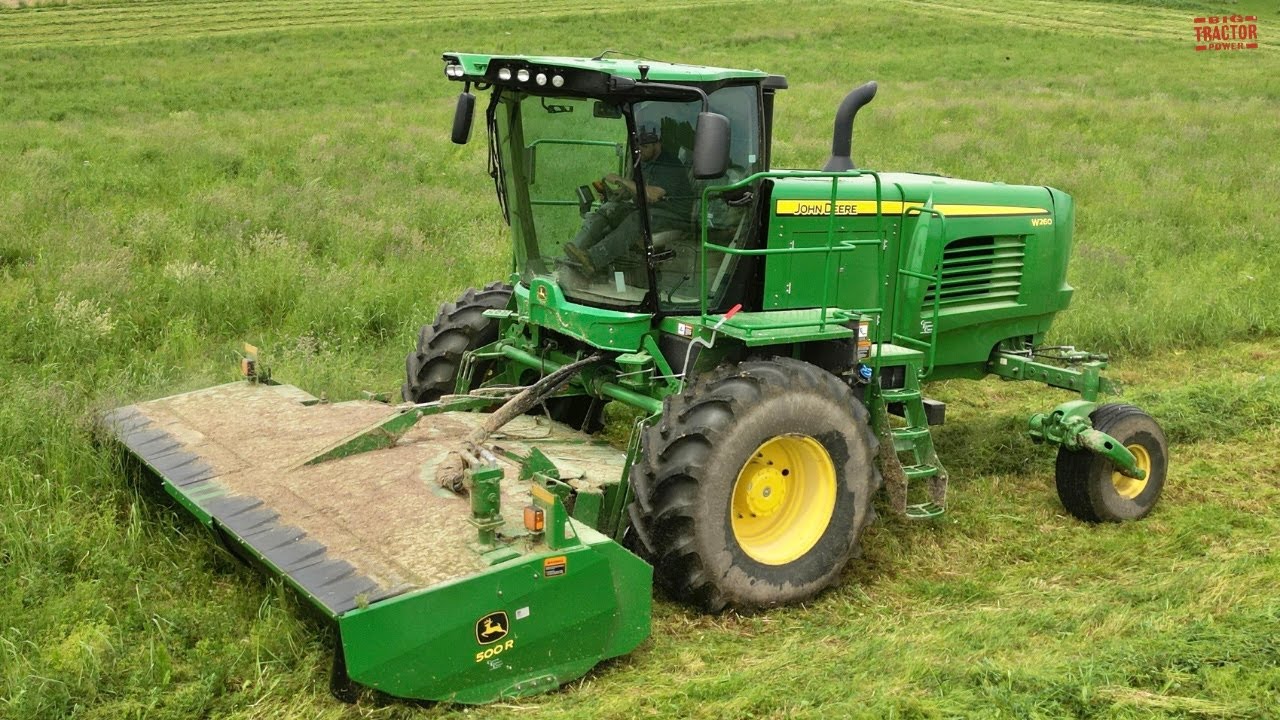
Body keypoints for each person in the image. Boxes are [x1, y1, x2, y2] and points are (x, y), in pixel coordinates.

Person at [563, 122, 693, 275]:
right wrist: (616, 193)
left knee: (637, 219)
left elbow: (652, 195)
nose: (640, 151)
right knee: (609, 210)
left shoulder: (670, 165)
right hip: (652, 210)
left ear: (657, 144)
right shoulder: (645, 161)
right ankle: (572, 257)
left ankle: (592, 260)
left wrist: (621, 180)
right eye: (637, 147)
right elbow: (636, 189)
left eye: (644, 147)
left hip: (676, 215)